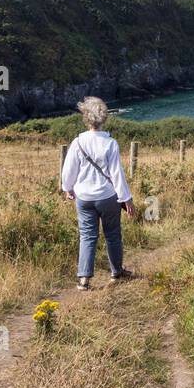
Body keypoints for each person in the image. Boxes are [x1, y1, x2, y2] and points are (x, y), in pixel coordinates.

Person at [59, 96, 137, 289]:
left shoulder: (77, 142)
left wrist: (67, 188)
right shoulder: (110, 143)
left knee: (87, 236)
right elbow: (116, 174)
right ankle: (117, 272)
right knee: (112, 235)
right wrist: (126, 199)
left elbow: (69, 171)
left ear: (86, 118)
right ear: (104, 118)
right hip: (107, 197)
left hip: (84, 198)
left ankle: (84, 279)